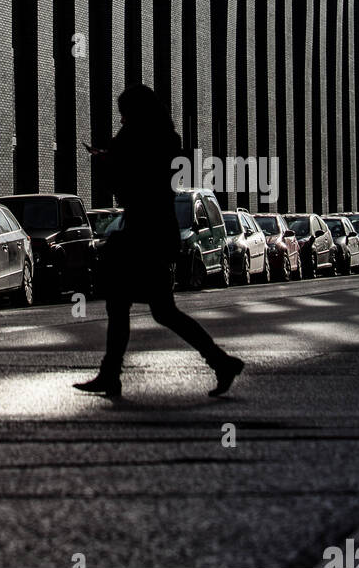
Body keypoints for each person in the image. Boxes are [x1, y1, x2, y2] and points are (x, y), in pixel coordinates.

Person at [76, 84, 244, 399]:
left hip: (142, 231)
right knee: (146, 307)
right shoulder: (168, 139)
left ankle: (219, 362)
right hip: (157, 229)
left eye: (124, 112)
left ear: (134, 112)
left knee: (143, 307)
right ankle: (113, 372)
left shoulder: (133, 138)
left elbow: (126, 186)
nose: (121, 119)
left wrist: (103, 161)